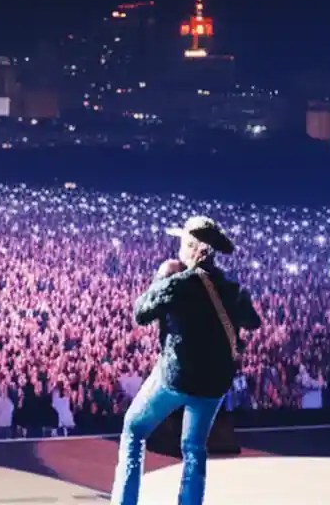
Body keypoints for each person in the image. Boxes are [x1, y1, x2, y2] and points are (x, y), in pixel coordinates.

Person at [109, 216, 262, 505]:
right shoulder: (231, 286)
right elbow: (252, 321)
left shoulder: (180, 282)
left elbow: (141, 312)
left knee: (134, 430)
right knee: (194, 449)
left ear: (192, 247)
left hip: (176, 377)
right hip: (214, 384)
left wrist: (162, 276)